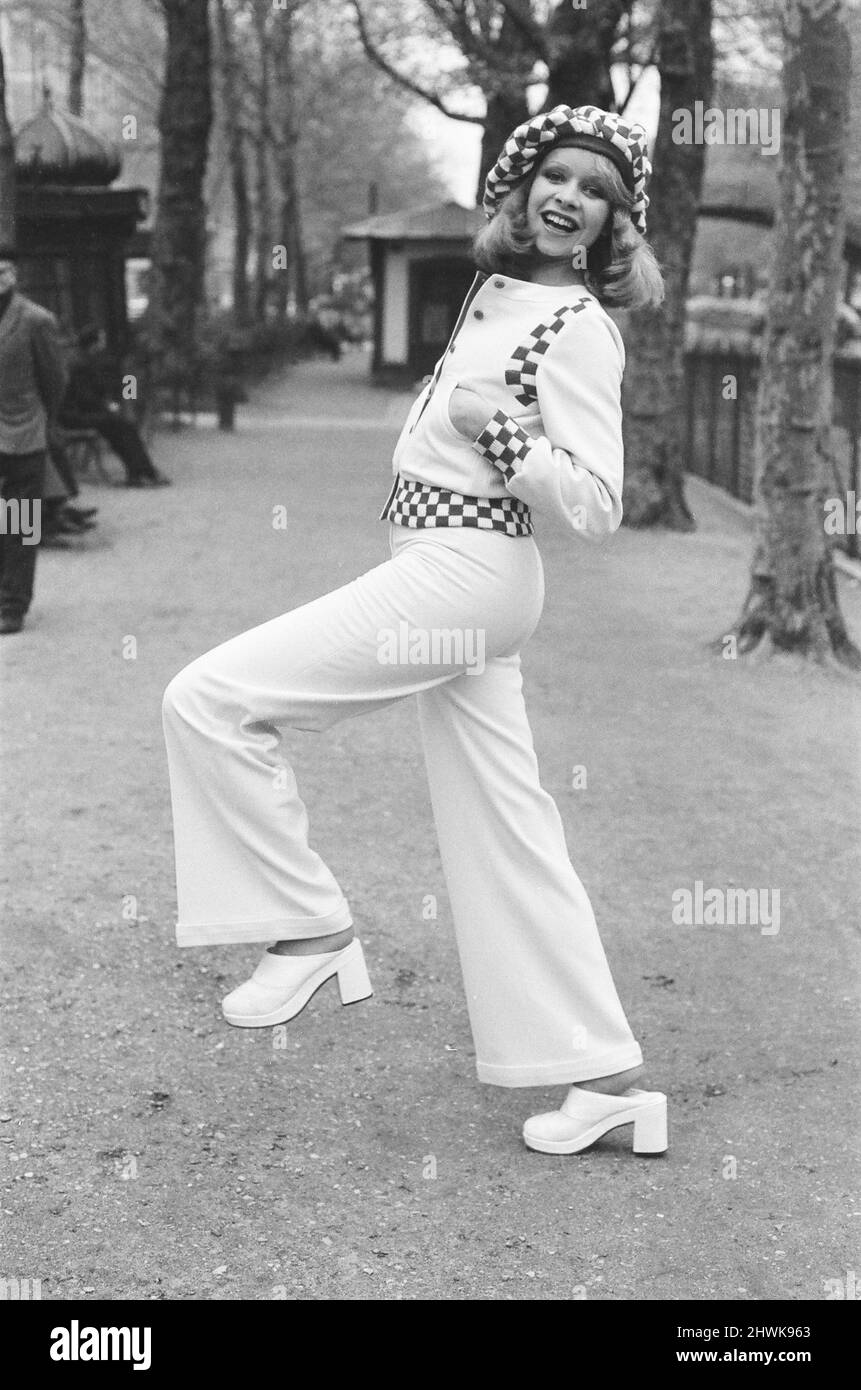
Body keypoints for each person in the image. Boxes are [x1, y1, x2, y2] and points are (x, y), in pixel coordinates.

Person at [162, 106, 669, 1156]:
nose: (566, 195)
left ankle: (308, 926)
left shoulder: (577, 328)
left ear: (612, 224)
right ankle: (605, 1074)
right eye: (553, 174)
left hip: (470, 573)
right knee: (509, 828)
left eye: (595, 190)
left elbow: (600, 502)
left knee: (210, 699)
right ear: (522, 182)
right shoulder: (495, 289)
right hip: (441, 568)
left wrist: (508, 437)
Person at [0, 248, 67, 635]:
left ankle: (13, 606)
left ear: (14, 274)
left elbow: (54, 380)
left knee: (19, 523)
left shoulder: (35, 320)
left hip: (23, 435)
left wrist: (43, 420)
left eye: (5, 267)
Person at [58, 325, 171, 488]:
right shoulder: (83, 363)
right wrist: (117, 403)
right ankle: (142, 471)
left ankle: (140, 471)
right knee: (124, 425)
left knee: (125, 425)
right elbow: (88, 396)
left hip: (109, 400)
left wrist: (123, 399)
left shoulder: (96, 359)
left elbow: (124, 381)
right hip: (79, 413)